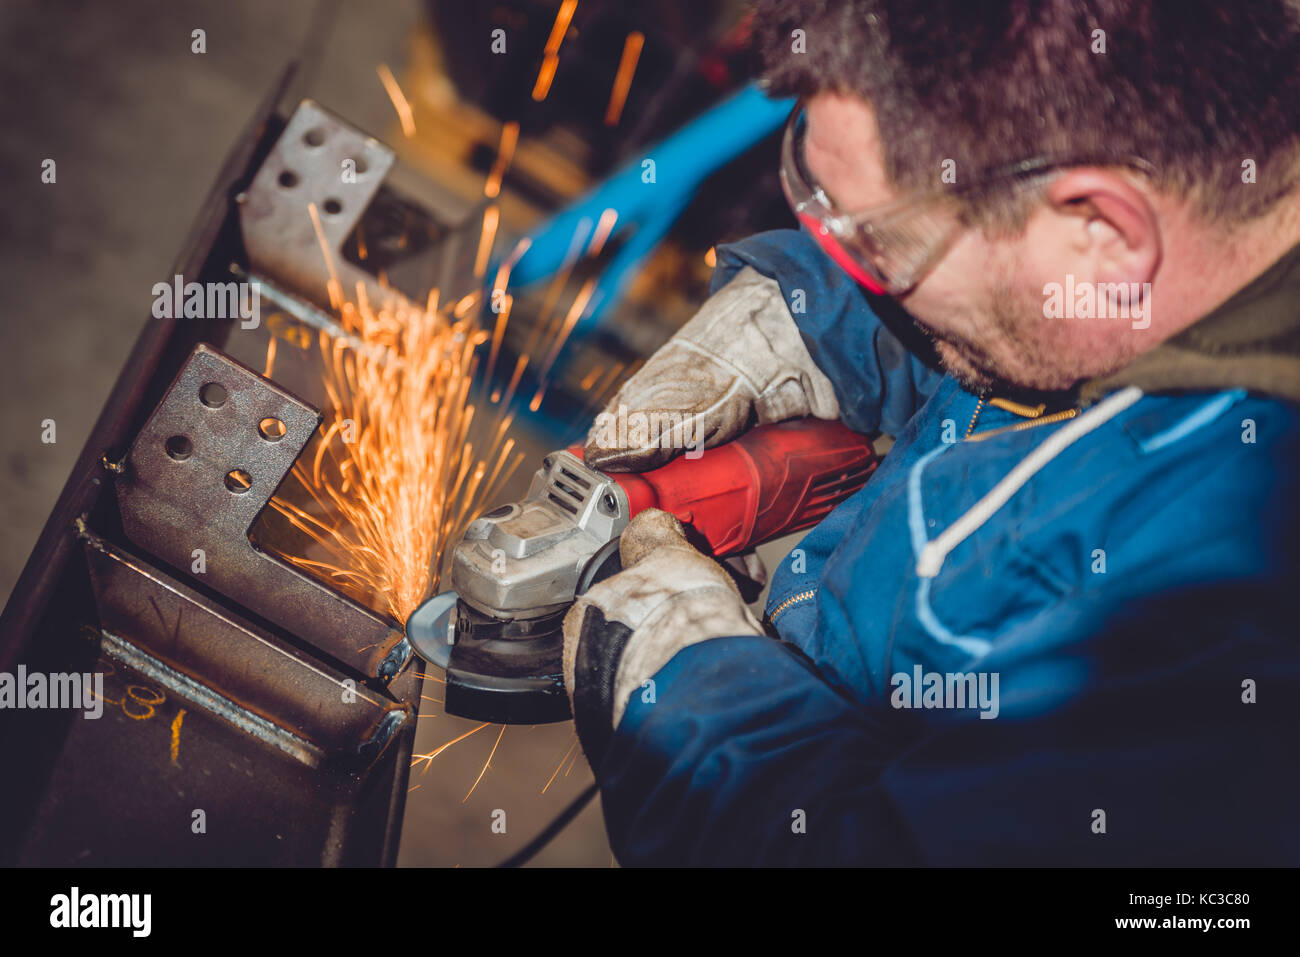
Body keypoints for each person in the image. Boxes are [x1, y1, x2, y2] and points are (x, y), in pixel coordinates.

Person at [559, 0, 1300, 865]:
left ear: (1104, 234)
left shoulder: (1232, 605)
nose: (850, 266)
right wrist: (815, 321)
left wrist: (685, 692)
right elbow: (1033, 313)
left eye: (878, 246)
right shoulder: (1145, 247)